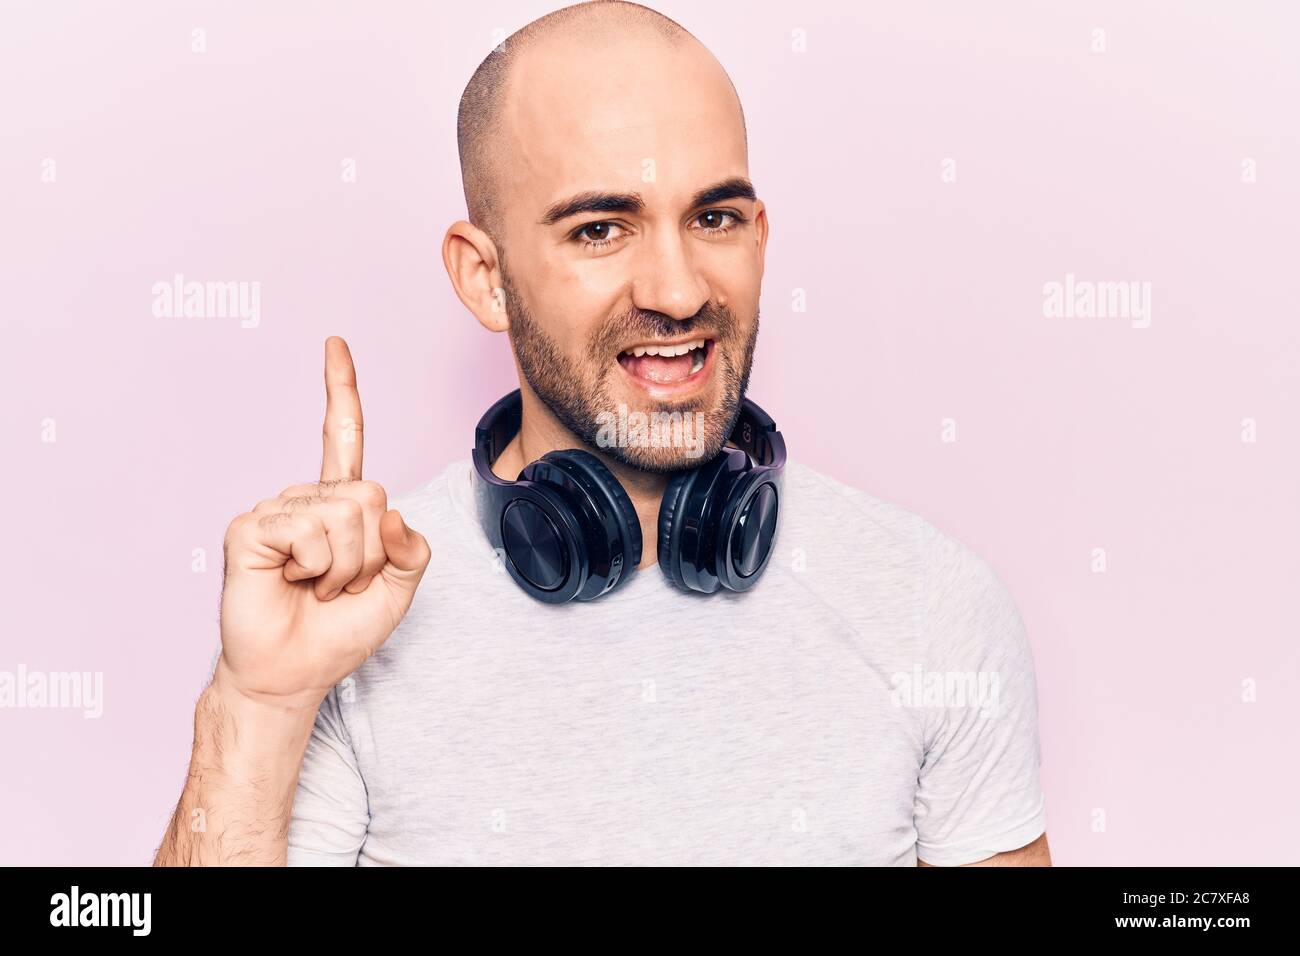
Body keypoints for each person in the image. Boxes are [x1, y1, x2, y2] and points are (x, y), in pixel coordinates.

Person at [155, 0, 1049, 866]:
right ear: (484, 278)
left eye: (714, 218)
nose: (678, 289)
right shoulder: (343, 626)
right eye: (601, 228)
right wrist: (262, 705)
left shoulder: (933, 608)